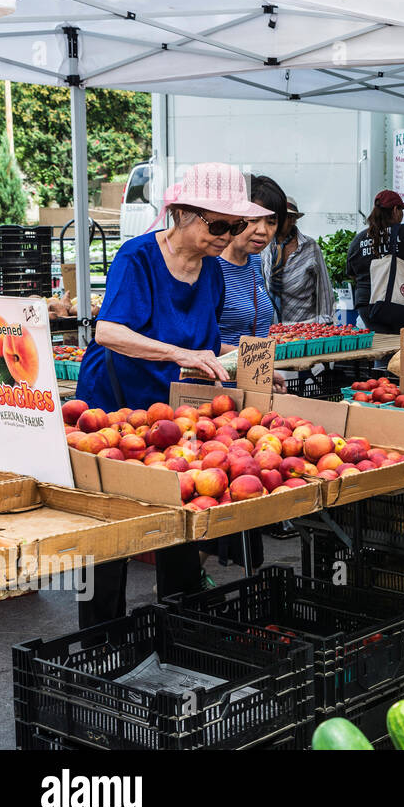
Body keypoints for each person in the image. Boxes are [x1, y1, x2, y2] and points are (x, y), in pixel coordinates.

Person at [73, 162, 272, 628]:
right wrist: (177, 351)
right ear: (181, 213)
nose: (227, 235)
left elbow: (208, 343)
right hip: (114, 409)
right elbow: (108, 330)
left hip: (175, 413)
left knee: (181, 510)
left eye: (234, 225)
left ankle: (182, 624)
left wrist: (252, 361)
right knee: (113, 526)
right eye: (218, 224)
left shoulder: (213, 272)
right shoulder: (137, 257)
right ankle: (104, 634)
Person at [348, 190, 404, 335]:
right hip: (402, 304)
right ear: (396, 210)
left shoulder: (357, 240)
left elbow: (353, 275)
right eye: (402, 210)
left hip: (367, 306)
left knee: (380, 348)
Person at [217, 176, 286, 347]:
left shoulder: (255, 261)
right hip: (219, 371)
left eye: (271, 222)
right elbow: (196, 342)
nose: (263, 231)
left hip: (254, 371)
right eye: (253, 220)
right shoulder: (209, 266)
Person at [264, 196, 336, 324]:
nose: (276, 222)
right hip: (272, 327)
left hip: (304, 326)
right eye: (274, 217)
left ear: (292, 220)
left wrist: (326, 320)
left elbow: (324, 289)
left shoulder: (310, 247)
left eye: (281, 217)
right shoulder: (266, 246)